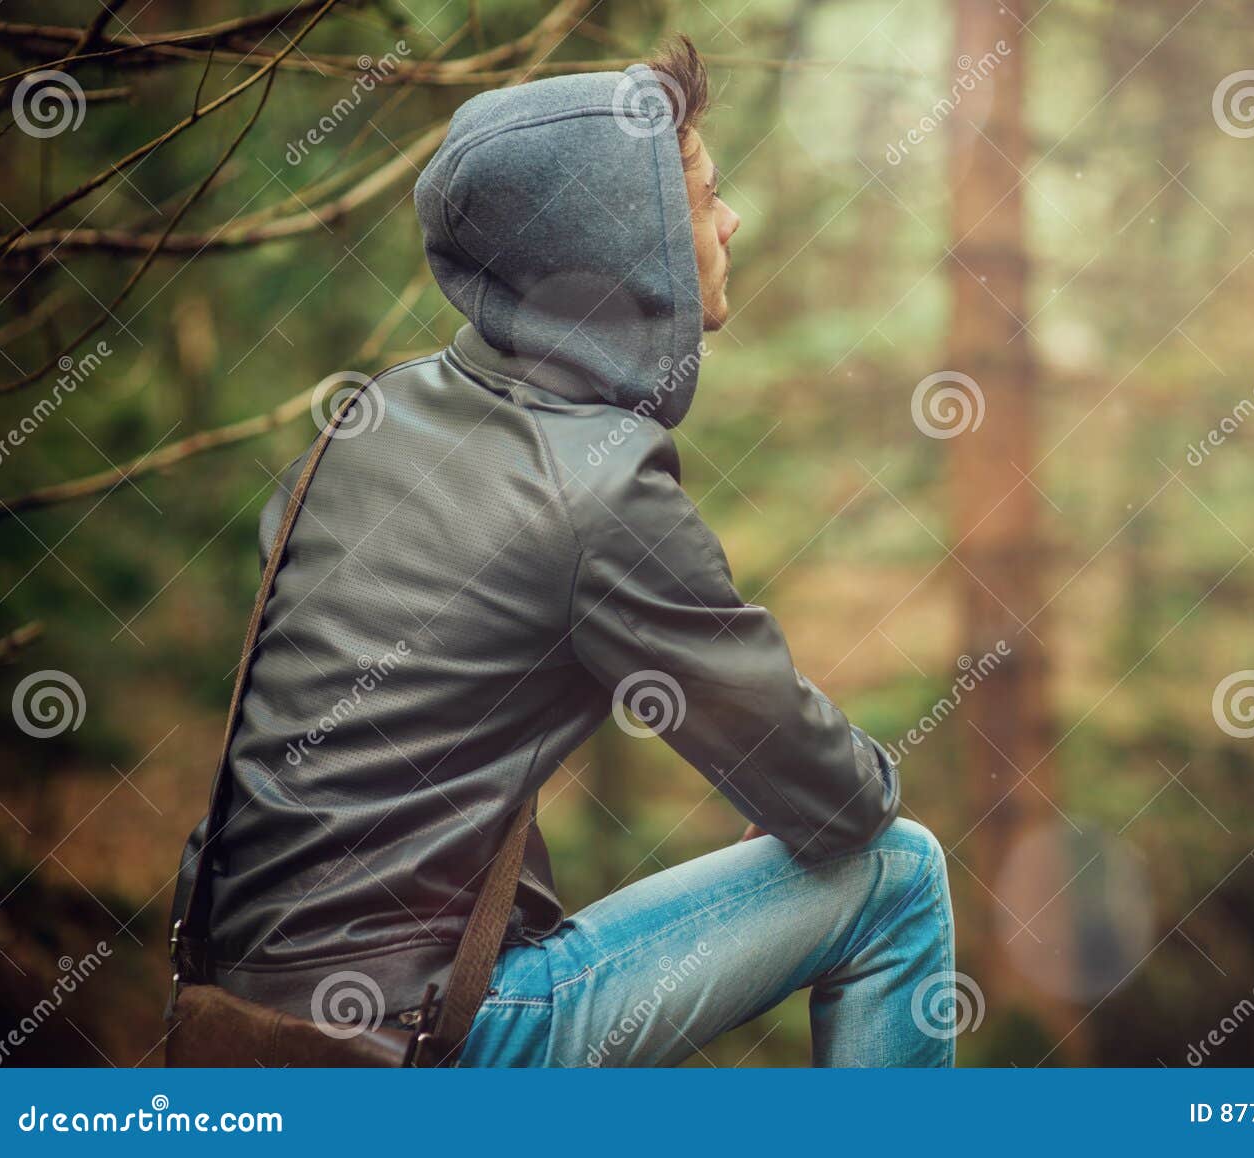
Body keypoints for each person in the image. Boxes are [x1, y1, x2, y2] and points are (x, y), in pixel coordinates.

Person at [170, 35, 954, 1068]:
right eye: (707, 197)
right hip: (427, 1046)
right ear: (634, 245)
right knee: (897, 872)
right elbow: (833, 800)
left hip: (233, 1023)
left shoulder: (369, 420)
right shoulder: (596, 484)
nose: (732, 220)